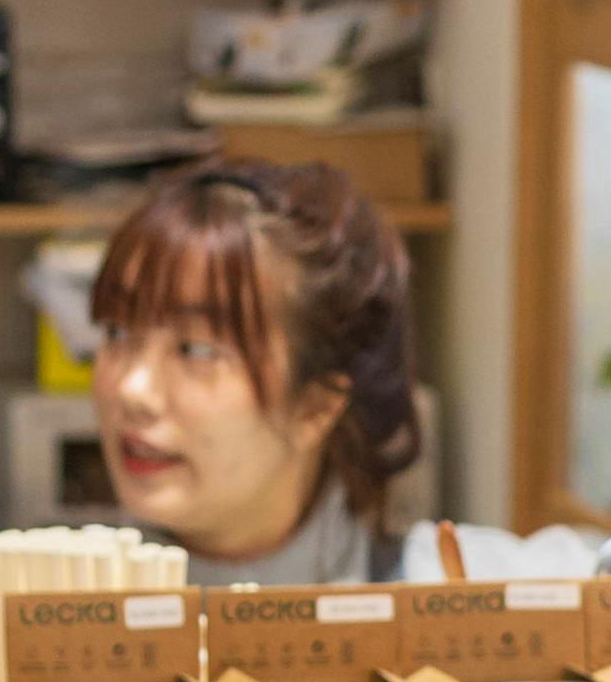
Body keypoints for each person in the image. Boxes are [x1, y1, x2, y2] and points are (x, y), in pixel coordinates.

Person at [87, 157, 422, 581]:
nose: (132, 389)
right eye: (116, 331)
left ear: (316, 406)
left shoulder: (453, 590)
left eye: (196, 350)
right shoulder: (28, 605)